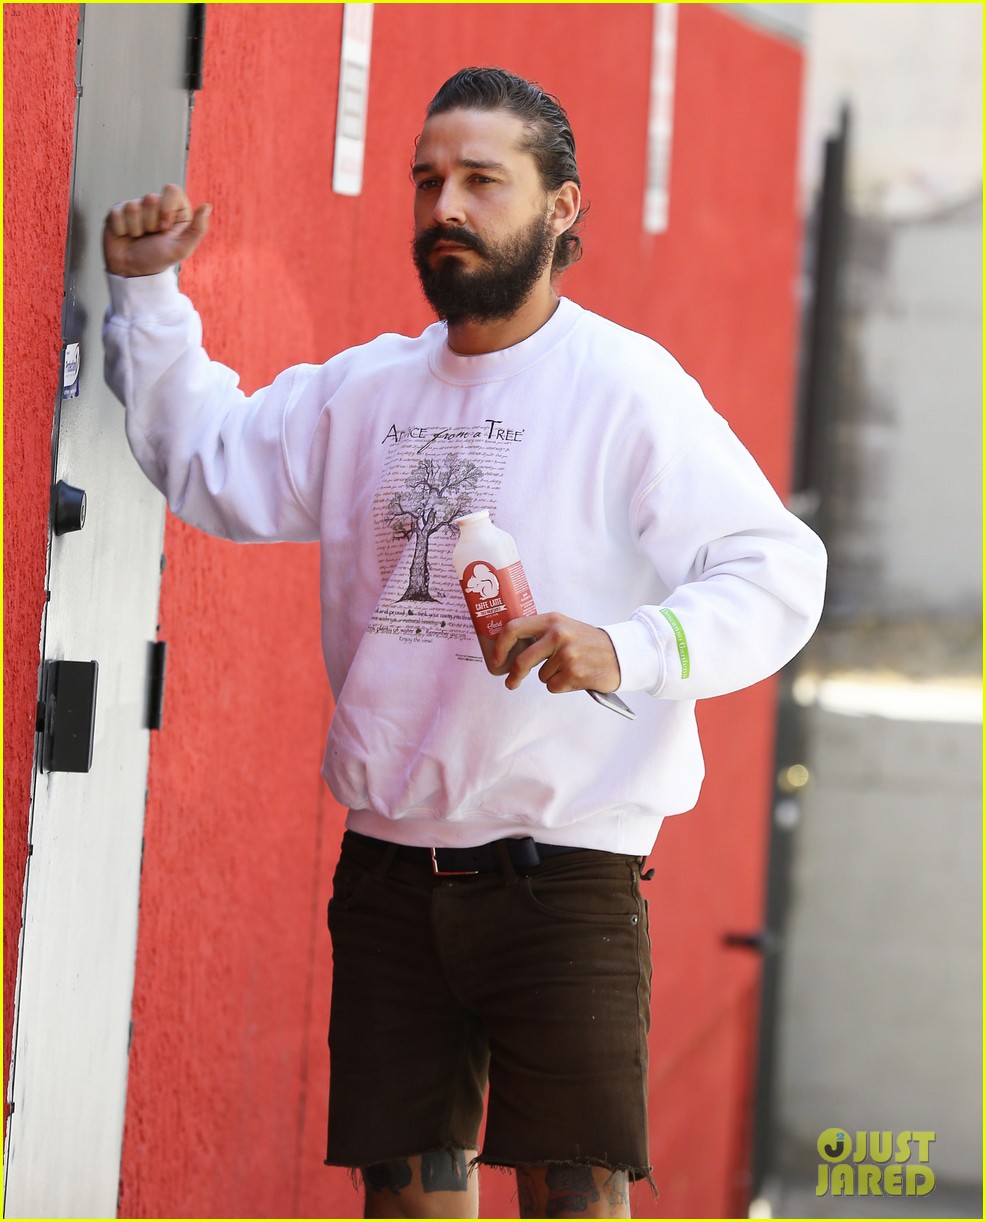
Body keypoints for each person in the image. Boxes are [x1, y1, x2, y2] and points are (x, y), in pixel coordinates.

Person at [102, 67, 826, 1219]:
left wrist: (627, 647)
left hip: (566, 873)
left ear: (561, 207)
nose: (445, 204)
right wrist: (147, 296)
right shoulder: (365, 392)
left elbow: (776, 570)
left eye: (483, 180)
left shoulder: (624, 388)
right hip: (389, 870)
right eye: (428, 179)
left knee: (573, 1197)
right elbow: (212, 462)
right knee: (406, 1199)